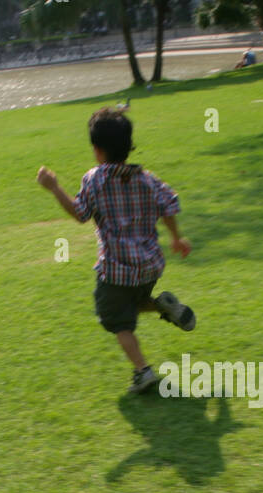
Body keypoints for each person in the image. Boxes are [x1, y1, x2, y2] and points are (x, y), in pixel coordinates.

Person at [37, 106, 196, 394]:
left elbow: (79, 214)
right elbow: (169, 204)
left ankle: (143, 371)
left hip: (115, 269)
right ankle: (162, 305)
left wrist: (54, 187)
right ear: (128, 145)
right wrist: (177, 238)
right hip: (150, 266)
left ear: (97, 150)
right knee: (131, 303)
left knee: (115, 318)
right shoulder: (148, 179)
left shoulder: (95, 179)